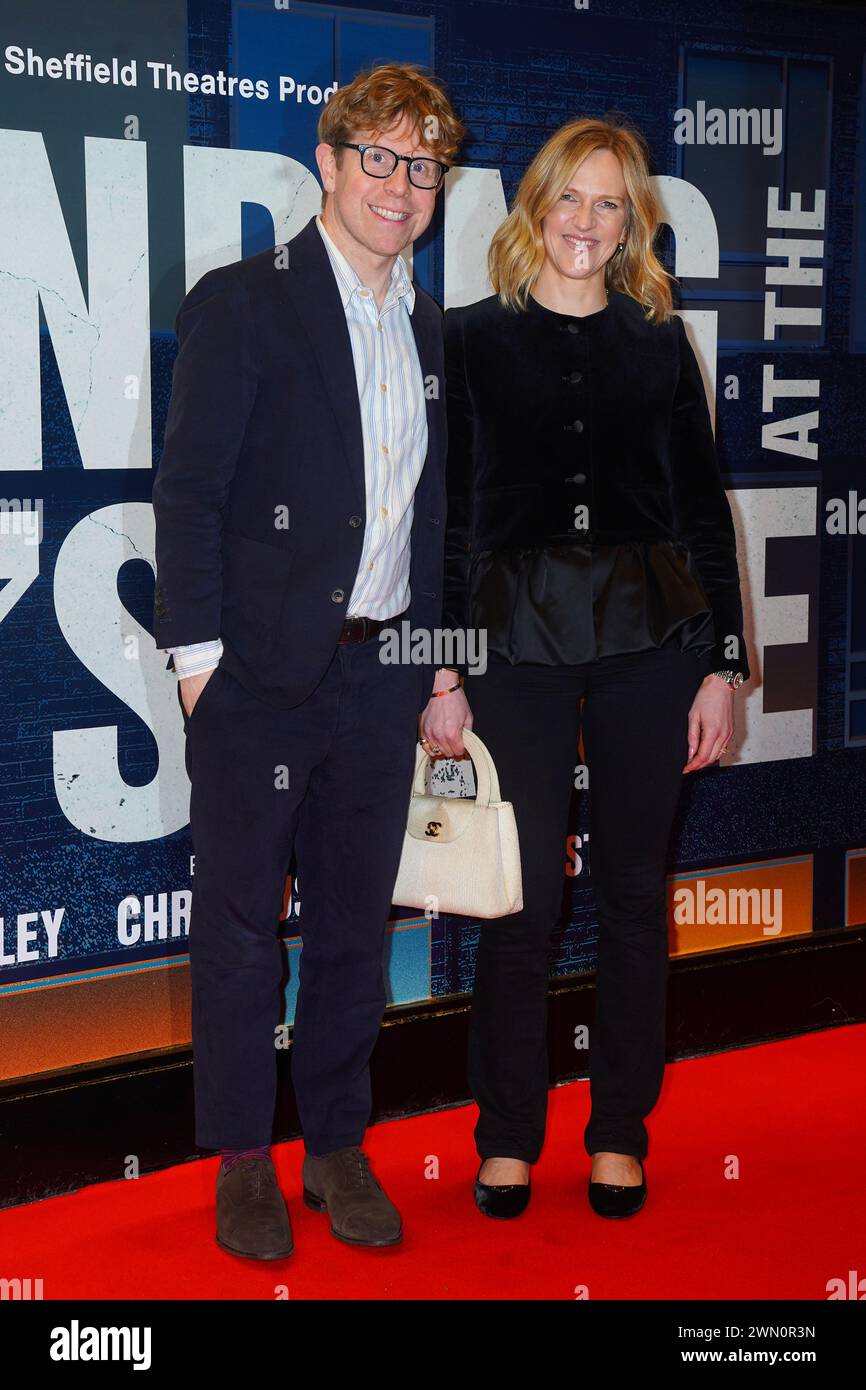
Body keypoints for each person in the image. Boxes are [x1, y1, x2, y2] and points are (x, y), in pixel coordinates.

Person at [152, 63, 464, 1259]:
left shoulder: (427, 325)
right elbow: (187, 491)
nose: (400, 185)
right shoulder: (245, 302)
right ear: (328, 165)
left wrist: (439, 666)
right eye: (378, 158)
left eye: (422, 165)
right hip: (254, 684)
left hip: (381, 673)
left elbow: (432, 512)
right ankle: (242, 1157)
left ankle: (336, 1142)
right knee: (239, 926)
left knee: (350, 922)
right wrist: (198, 668)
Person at [419, 116, 750, 1220]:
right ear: (534, 208)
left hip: (651, 648)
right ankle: (507, 1134)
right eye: (569, 198)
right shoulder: (466, 339)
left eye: (609, 204)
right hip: (507, 646)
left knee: (629, 896)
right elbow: (447, 520)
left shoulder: (659, 343)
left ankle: (617, 1130)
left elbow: (702, 511)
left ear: (630, 224)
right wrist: (441, 669)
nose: (585, 221)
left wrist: (721, 666)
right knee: (518, 904)